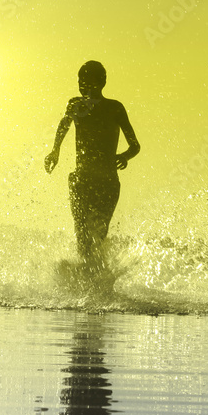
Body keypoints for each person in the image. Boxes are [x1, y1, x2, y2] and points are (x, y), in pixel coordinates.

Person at [44, 60, 140, 269]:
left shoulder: (115, 108)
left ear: (102, 82)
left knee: (99, 233)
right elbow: (64, 125)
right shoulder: (76, 105)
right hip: (81, 179)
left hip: (108, 182)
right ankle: (85, 277)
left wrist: (124, 156)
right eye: (80, 81)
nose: (83, 85)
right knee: (82, 234)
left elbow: (135, 145)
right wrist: (55, 151)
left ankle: (97, 277)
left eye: (88, 81)